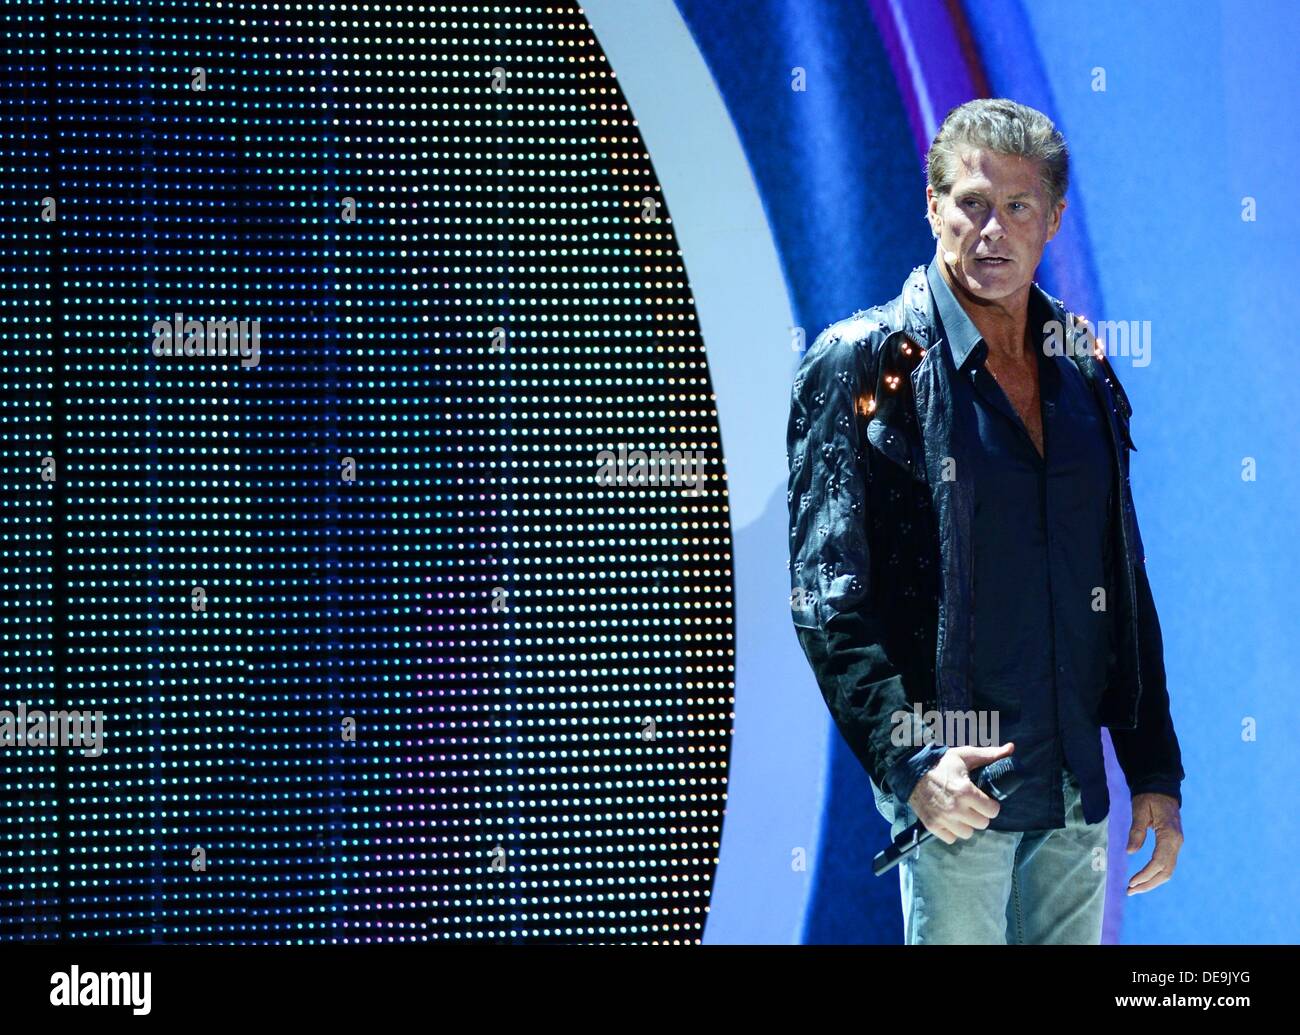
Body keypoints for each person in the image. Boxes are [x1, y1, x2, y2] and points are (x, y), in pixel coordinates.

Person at [786, 98, 1184, 944]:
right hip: (957, 782)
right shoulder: (862, 360)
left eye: (1017, 207)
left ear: (1053, 219)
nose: (992, 229)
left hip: (1075, 784)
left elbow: (1120, 575)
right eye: (971, 202)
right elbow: (828, 600)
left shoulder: (1082, 369)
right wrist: (913, 761)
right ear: (932, 206)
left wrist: (1153, 765)